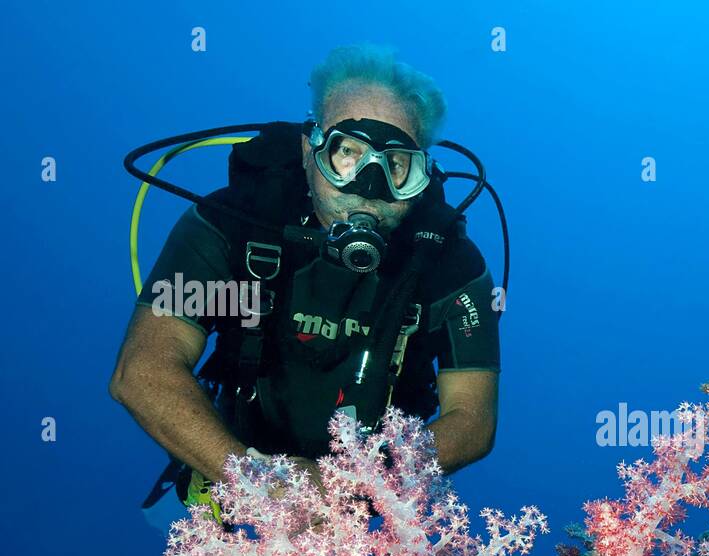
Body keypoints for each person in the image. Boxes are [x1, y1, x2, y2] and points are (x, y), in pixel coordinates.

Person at [111, 45, 500, 520]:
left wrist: (351, 486)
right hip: (231, 468)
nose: (368, 185)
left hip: (366, 498)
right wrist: (258, 478)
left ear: (420, 174)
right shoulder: (233, 225)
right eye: (348, 152)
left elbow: (472, 422)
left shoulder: (451, 265)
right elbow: (143, 369)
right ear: (309, 147)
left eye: (394, 164)